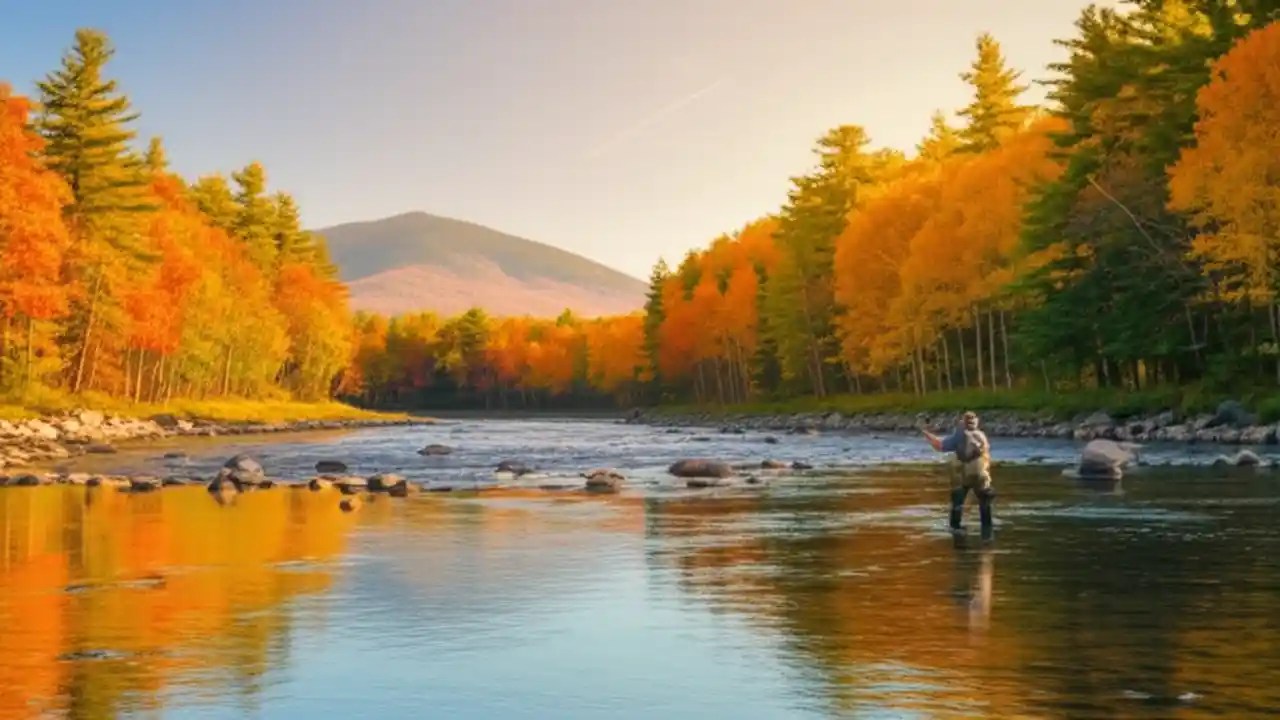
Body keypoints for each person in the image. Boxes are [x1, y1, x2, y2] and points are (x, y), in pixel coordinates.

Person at [923, 411, 994, 535]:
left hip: (964, 474)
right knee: (985, 505)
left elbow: (940, 446)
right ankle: (987, 531)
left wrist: (927, 435)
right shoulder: (982, 435)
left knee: (957, 504)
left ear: (963, 422)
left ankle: (955, 530)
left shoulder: (960, 434)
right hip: (982, 475)